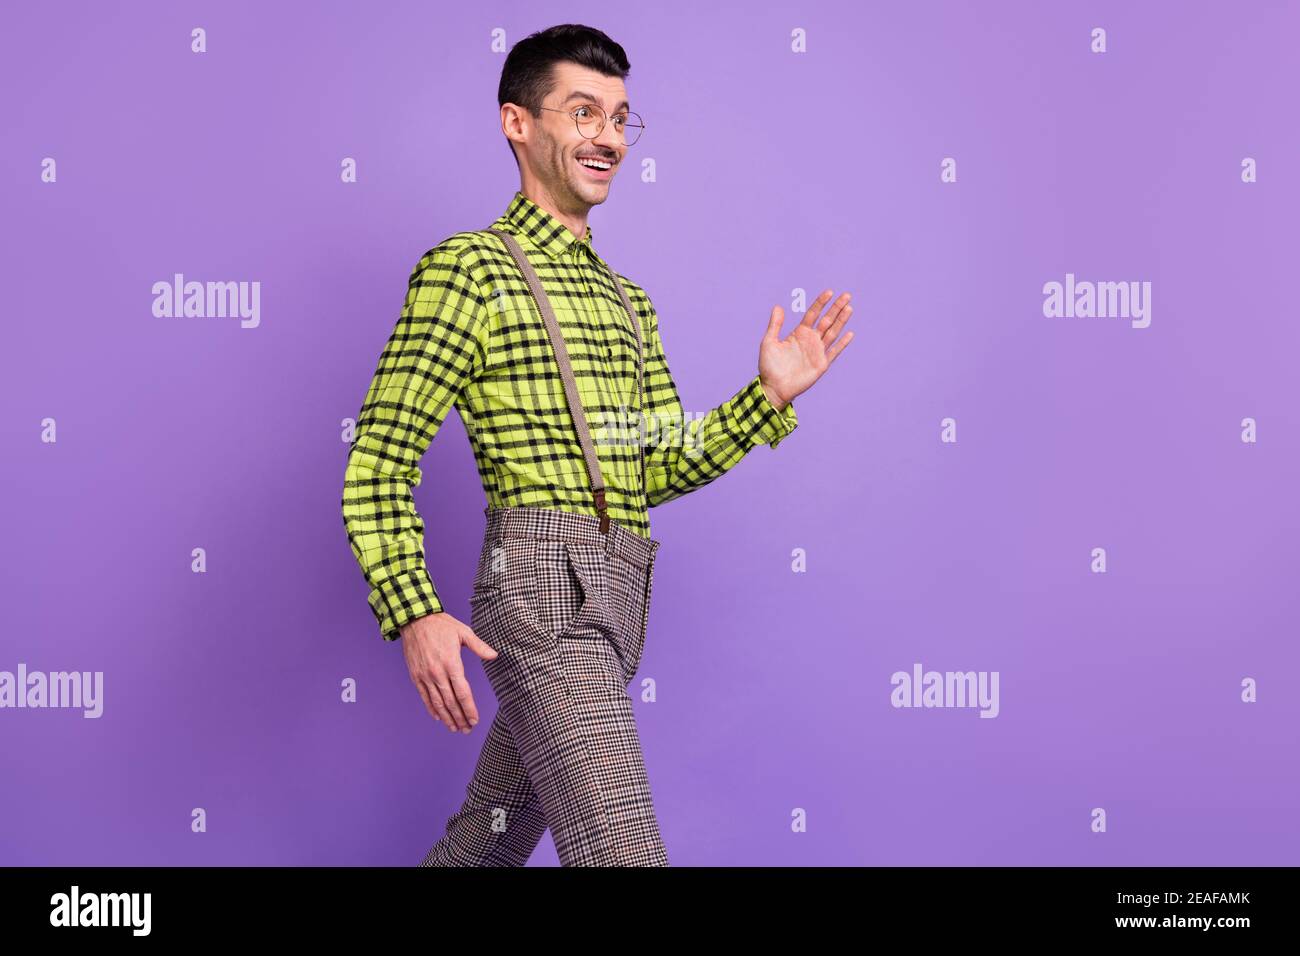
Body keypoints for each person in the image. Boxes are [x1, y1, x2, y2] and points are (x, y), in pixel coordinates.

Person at [341, 23, 854, 867]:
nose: (608, 136)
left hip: (617, 595)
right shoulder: (471, 271)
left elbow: (654, 465)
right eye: (584, 113)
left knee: (484, 846)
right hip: (539, 590)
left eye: (620, 118)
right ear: (518, 123)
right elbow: (380, 461)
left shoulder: (628, 301)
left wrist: (765, 399)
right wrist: (413, 609)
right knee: (623, 855)